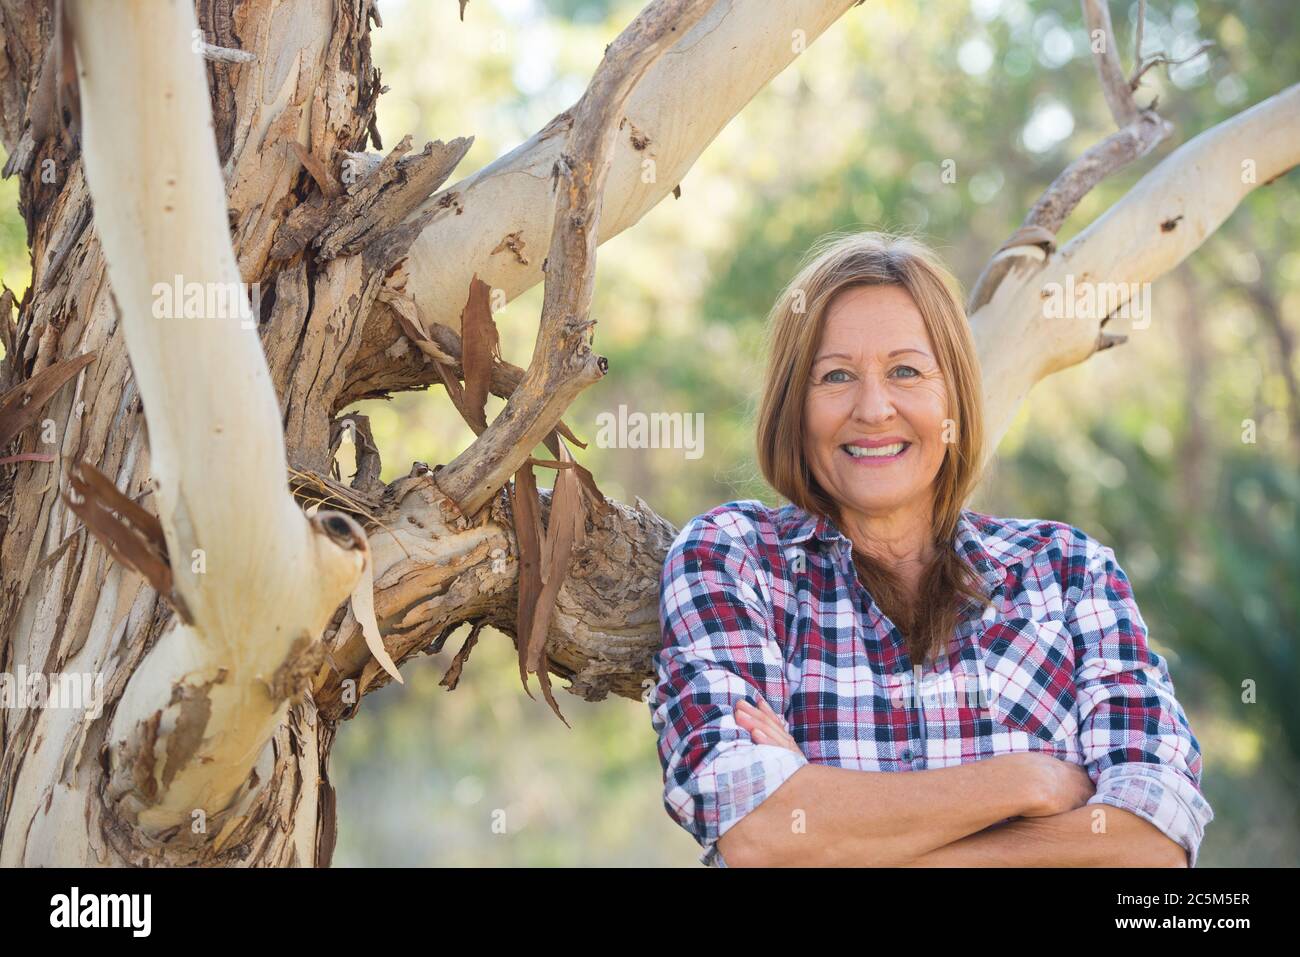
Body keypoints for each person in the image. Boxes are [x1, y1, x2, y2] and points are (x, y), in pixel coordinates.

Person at [648, 230, 1213, 867]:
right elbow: (762, 834)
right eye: (835, 376)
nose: (873, 408)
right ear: (792, 404)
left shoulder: (1069, 572)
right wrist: (1026, 782)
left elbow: (1153, 842)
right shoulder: (734, 560)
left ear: (953, 396)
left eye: (906, 371)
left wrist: (849, 831)